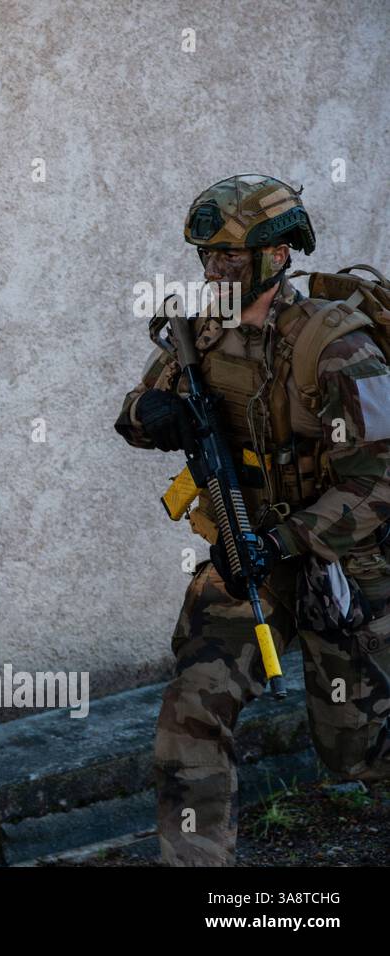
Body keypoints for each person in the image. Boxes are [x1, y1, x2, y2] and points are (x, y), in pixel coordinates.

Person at [115, 174, 390, 865]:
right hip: (247, 555)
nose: (213, 272)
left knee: (359, 752)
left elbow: (379, 483)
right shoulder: (200, 335)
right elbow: (134, 410)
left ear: (277, 255)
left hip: (341, 561)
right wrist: (152, 419)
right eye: (206, 257)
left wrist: (285, 539)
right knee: (191, 715)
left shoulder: (338, 347)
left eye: (229, 259)